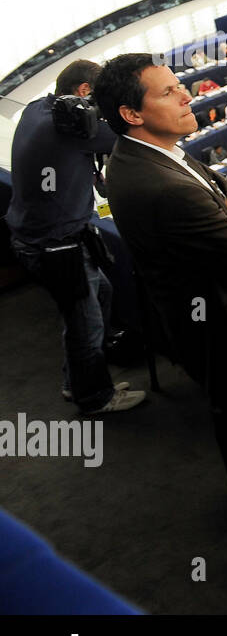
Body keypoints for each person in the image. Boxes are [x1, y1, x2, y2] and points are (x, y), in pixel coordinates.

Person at [94, 54, 227, 496]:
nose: (188, 94)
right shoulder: (158, 183)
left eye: (179, 85)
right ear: (132, 114)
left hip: (205, 306)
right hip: (218, 325)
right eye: (169, 92)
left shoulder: (153, 151)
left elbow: (226, 196)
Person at [6, 60, 144, 414]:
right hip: (56, 246)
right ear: (85, 93)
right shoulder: (72, 127)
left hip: (41, 238)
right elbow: (127, 133)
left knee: (98, 297)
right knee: (86, 322)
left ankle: (75, 381)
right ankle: (94, 397)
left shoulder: (39, 109)